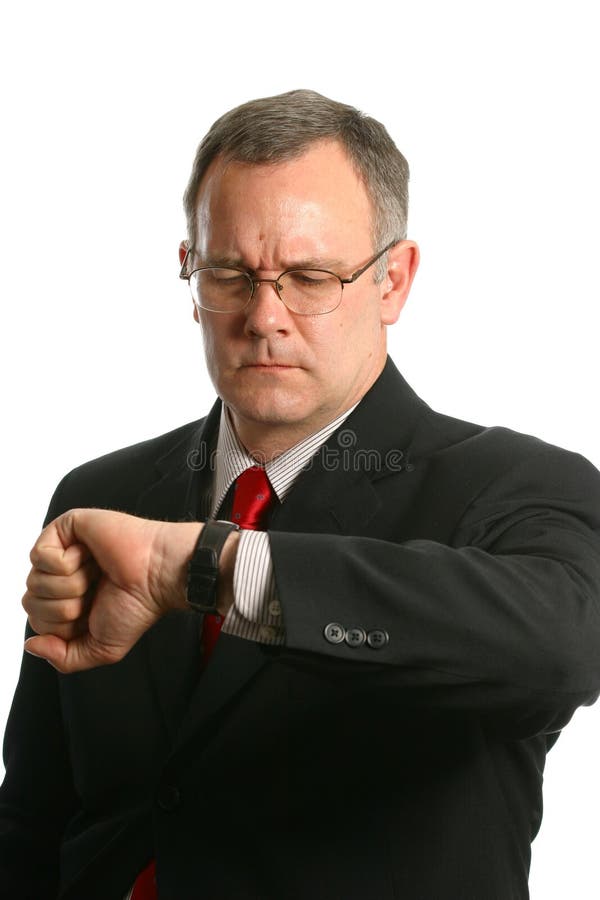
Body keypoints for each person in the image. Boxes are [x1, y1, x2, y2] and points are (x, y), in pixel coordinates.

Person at [1, 89, 600, 900]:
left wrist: (205, 566)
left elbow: (565, 648)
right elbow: (36, 820)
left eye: (310, 277)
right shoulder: (100, 493)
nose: (263, 316)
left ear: (394, 280)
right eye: (229, 274)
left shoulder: (518, 485)